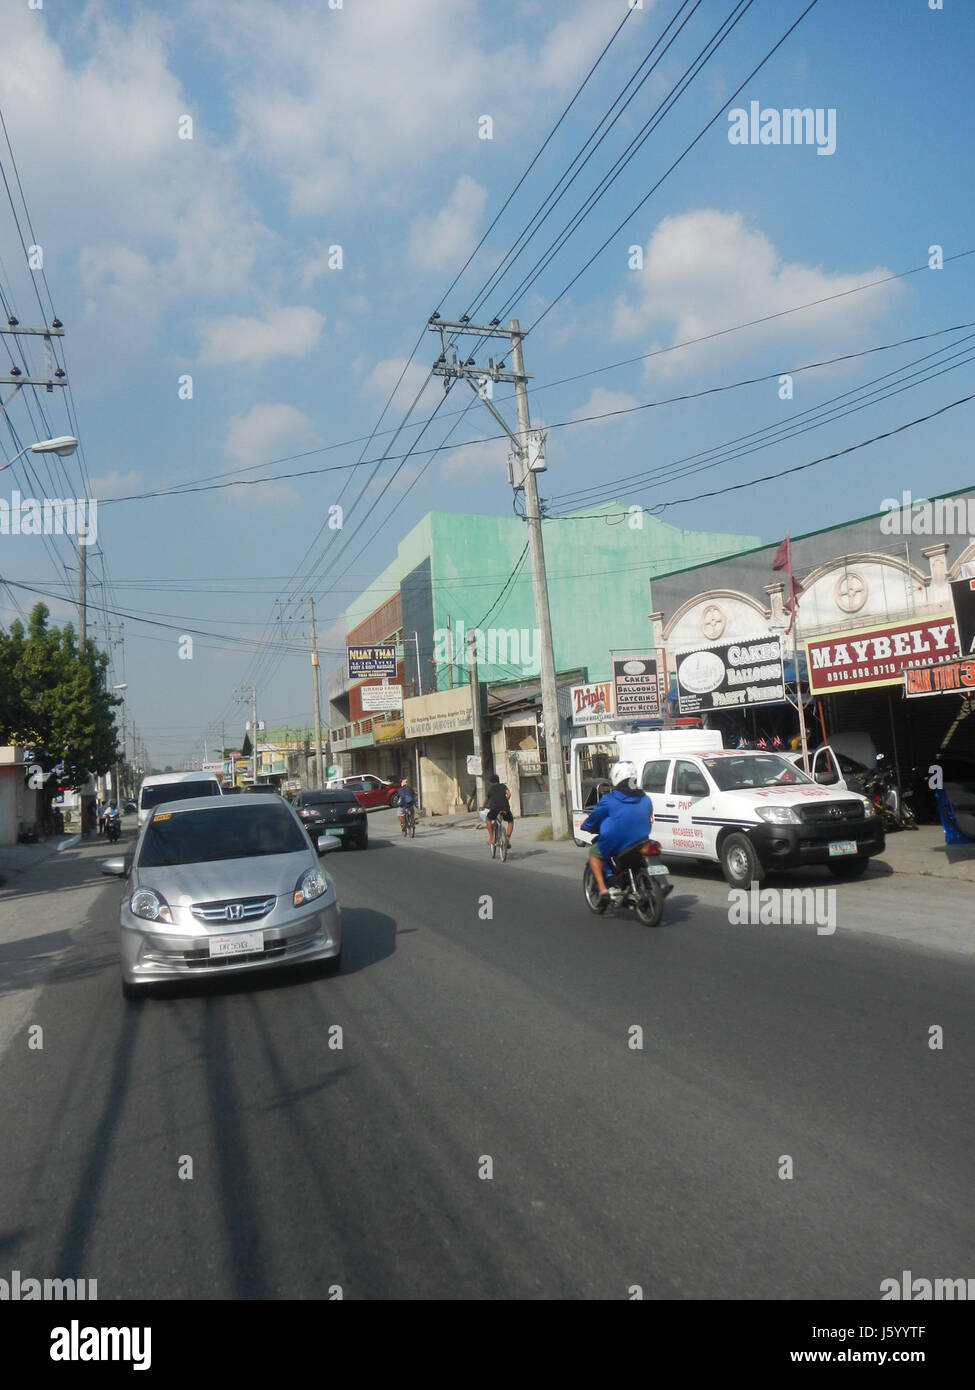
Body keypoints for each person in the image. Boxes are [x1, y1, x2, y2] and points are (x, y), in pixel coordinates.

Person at [581, 761, 654, 903]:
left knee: (594, 853)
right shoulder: (645, 798)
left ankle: (602, 889)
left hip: (617, 842)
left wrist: (586, 826)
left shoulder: (609, 799)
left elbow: (594, 818)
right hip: (642, 840)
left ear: (616, 777)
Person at [481, 773, 513, 848]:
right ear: (498, 781)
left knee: (488, 819)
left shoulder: (490, 789)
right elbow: (509, 794)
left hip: (495, 809)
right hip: (505, 808)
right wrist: (505, 800)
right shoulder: (503, 786)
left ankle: (492, 839)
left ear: (491, 783)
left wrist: (483, 807)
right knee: (510, 821)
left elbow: (486, 800)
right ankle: (507, 839)